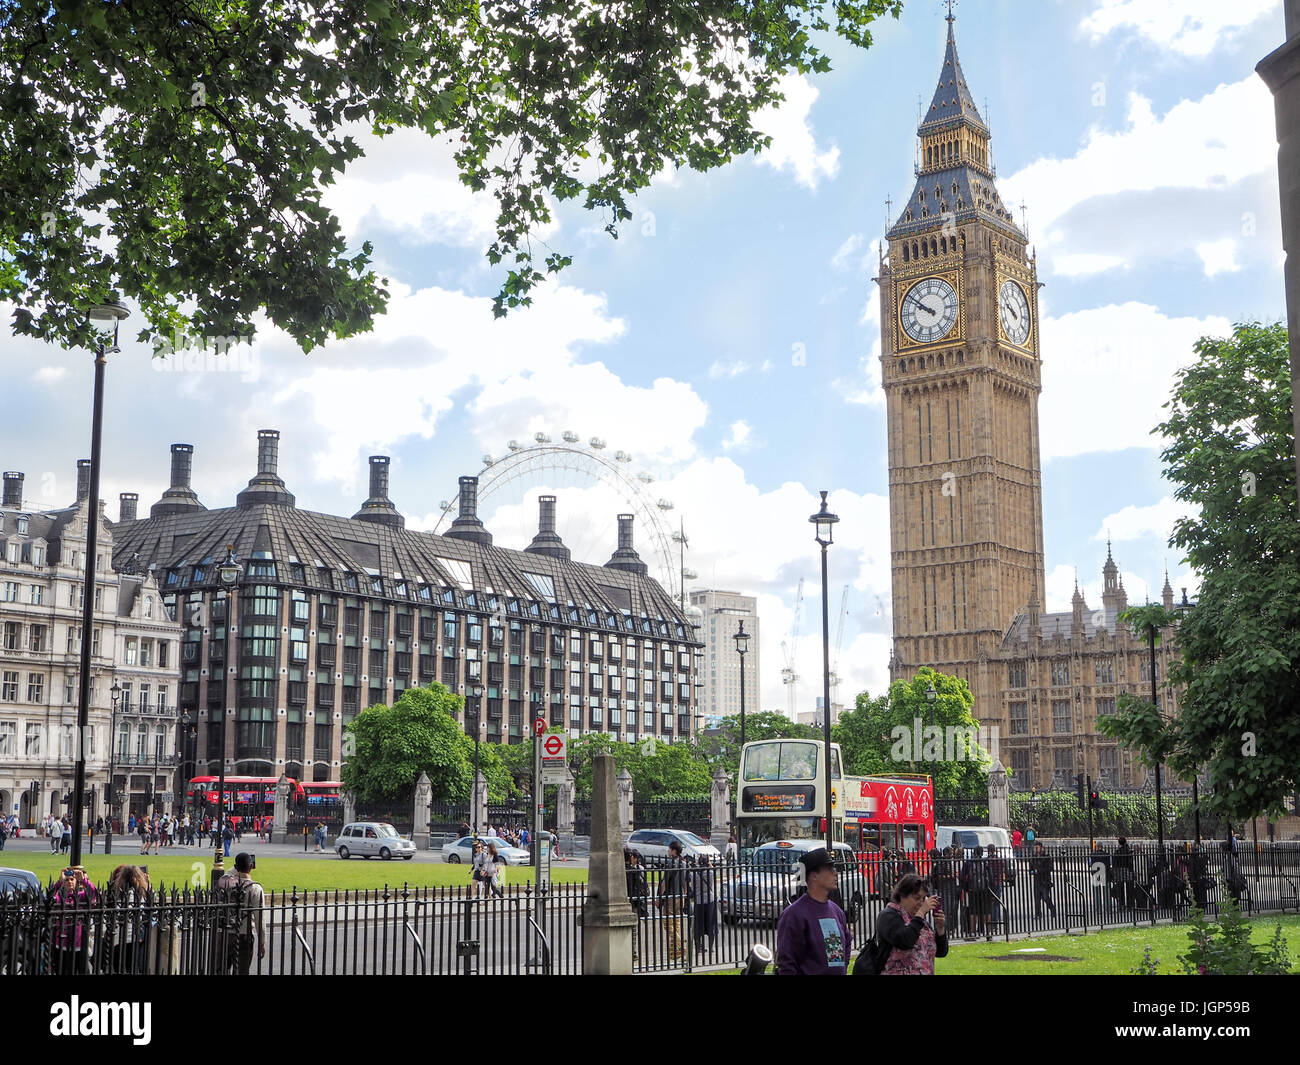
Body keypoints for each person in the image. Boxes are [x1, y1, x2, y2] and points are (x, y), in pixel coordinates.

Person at [775, 847, 852, 975]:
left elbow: (847, 941)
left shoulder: (836, 911)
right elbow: (786, 963)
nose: (836, 873)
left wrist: (843, 967)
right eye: (830, 869)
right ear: (814, 875)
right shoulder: (794, 915)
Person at [874, 873, 948, 975]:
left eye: (923, 899)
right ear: (902, 896)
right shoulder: (888, 916)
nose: (921, 903)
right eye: (917, 898)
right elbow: (905, 941)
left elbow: (941, 952)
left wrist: (940, 929)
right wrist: (921, 913)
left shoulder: (919, 920)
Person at [214, 853, 265, 975]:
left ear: (236, 867)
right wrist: (262, 942)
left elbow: (228, 872)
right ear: (251, 866)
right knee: (242, 971)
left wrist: (236, 867)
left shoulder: (225, 883)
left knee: (220, 970)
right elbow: (260, 919)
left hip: (224, 934)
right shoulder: (255, 888)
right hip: (243, 935)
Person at [50, 866, 99, 974]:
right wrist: (59, 881)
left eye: (72, 879)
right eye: (67, 880)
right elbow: (49, 898)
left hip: (78, 941)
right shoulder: (60, 896)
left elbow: (95, 894)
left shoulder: (82, 896)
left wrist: (84, 880)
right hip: (62, 940)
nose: (69, 882)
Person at [105, 864, 152, 974]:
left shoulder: (117, 894)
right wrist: (148, 885)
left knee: (119, 968)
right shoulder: (140, 895)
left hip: (118, 938)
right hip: (136, 938)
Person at [657, 839, 689, 963]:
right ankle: (673, 953)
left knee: (667, 925)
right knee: (676, 925)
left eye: (669, 849)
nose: (668, 851)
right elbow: (686, 882)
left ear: (673, 850)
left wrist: (659, 897)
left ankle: (681, 945)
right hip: (680, 897)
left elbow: (665, 882)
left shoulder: (670, 863)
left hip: (671, 897)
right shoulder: (684, 863)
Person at [959, 846, 992, 938]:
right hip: (984, 890)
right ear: (981, 853)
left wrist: (966, 888)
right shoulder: (985, 862)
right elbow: (990, 877)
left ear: (974, 852)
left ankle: (973, 932)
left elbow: (962, 877)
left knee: (973, 912)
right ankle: (988, 933)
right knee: (986, 912)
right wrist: (990, 889)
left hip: (972, 890)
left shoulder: (968, 862)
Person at [624, 848, 648, 962]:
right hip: (633, 903)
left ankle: (625, 951)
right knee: (633, 929)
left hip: (622, 903)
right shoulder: (635, 871)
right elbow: (642, 888)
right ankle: (632, 951)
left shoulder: (619, 871)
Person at [691, 854, 718, 956]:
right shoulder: (710, 873)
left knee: (698, 925)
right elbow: (714, 870)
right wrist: (709, 864)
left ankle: (698, 947)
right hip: (710, 900)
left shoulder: (695, 875)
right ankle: (711, 947)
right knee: (711, 925)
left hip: (699, 901)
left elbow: (693, 888)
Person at [1030, 842, 1057, 922]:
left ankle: (1053, 910)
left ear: (1042, 848)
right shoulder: (1033, 858)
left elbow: (1050, 868)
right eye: (1035, 848)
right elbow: (1030, 868)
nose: (1036, 849)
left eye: (1037, 847)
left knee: (1046, 897)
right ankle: (1038, 914)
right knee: (1037, 898)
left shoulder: (1047, 857)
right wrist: (1032, 871)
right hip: (1037, 880)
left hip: (1045, 880)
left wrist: (1039, 870)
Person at [1221, 840, 1246, 906]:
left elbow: (1227, 872)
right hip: (1235, 879)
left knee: (1232, 897)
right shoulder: (1231, 857)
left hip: (1231, 881)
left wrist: (1225, 880)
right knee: (1234, 899)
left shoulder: (1227, 858)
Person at [1113, 837, 1135, 909]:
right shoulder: (1129, 851)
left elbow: (1114, 863)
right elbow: (1131, 862)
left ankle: (1121, 904)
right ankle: (1130, 904)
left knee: (1120, 888)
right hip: (1127, 869)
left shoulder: (1117, 852)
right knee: (1129, 888)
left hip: (1119, 869)